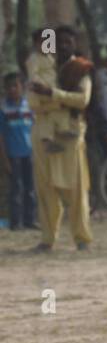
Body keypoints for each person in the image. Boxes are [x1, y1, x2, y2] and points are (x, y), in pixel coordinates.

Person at [30, 26, 93, 251]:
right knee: (45, 189)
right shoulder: (41, 66)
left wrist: (51, 94)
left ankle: (82, 238)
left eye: (69, 42)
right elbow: (33, 102)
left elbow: (83, 99)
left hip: (71, 135)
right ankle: (47, 239)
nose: (64, 46)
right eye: (60, 42)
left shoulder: (80, 68)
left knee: (76, 190)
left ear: (75, 44)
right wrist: (62, 100)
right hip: (43, 133)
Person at [2, 72, 36, 231]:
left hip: (29, 153)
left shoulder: (29, 105)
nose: (12, 89)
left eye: (15, 85)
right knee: (16, 189)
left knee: (30, 187)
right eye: (9, 87)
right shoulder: (4, 109)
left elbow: (35, 128)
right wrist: (5, 160)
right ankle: (17, 222)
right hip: (13, 154)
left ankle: (31, 220)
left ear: (22, 87)